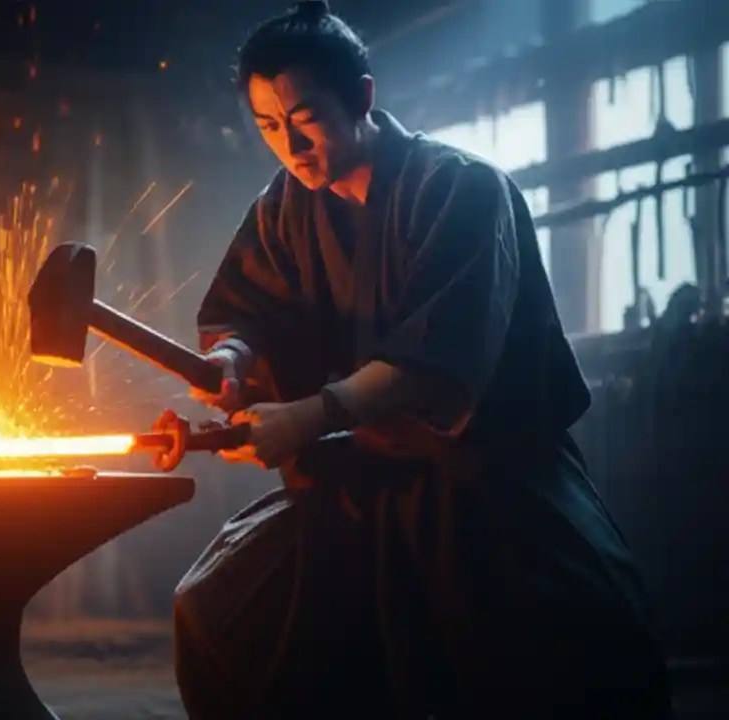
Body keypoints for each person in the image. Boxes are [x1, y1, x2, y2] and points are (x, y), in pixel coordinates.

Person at [173, 2, 673, 718]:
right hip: (353, 487)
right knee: (216, 613)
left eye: (306, 119)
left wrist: (309, 417)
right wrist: (230, 358)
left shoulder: (462, 190)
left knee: (561, 659)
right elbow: (245, 310)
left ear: (364, 98)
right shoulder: (284, 206)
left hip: (488, 491)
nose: (291, 146)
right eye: (269, 128)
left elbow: (437, 362)